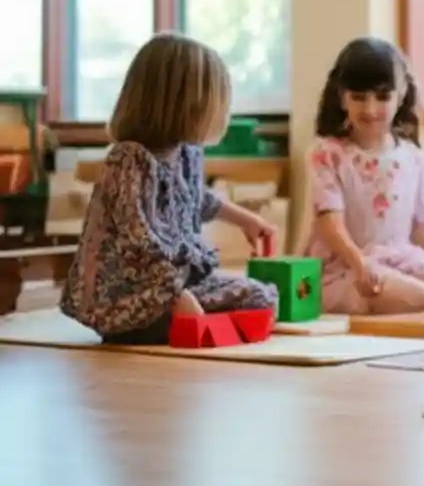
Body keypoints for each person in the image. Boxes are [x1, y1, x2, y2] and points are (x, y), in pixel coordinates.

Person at [60, 33, 279, 344]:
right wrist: (174, 295)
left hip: (176, 283)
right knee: (198, 311)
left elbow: (196, 199)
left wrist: (247, 220)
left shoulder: (187, 153)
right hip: (128, 291)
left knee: (261, 297)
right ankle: (177, 322)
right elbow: (139, 243)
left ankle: (198, 320)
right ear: (184, 104)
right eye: (216, 102)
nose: (222, 112)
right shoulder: (129, 161)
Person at [302, 37, 424, 314]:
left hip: (401, 259)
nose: (370, 109)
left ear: (401, 96)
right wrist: (359, 264)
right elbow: (330, 226)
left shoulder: (412, 156)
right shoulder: (327, 154)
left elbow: (421, 231)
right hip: (345, 267)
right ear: (341, 97)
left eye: (382, 97)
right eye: (359, 97)